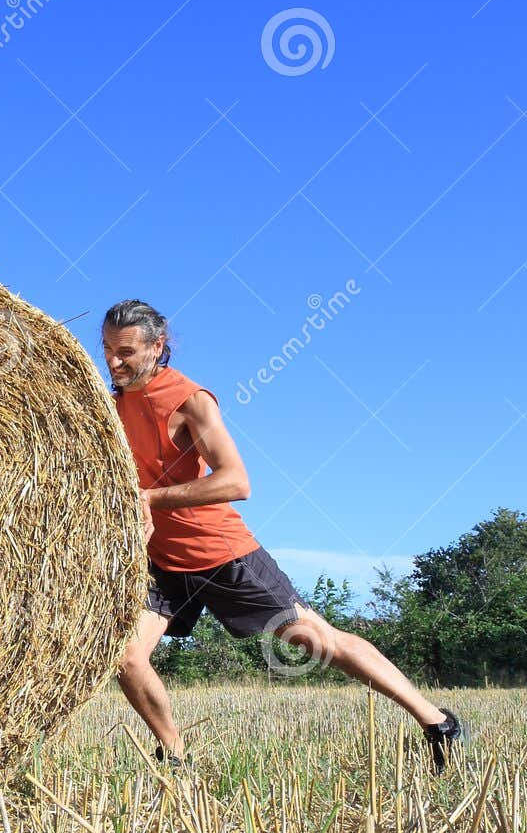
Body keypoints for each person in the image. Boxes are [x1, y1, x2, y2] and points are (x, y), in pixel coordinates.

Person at [101, 299, 463, 773]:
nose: (112, 361)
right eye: (107, 348)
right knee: (127, 655)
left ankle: (437, 723)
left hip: (221, 554)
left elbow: (236, 481)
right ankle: (175, 757)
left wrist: (148, 500)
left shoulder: (190, 400)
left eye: (124, 351)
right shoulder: (111, 404)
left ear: (157, 347)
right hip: (162, 563)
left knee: (318, 642)